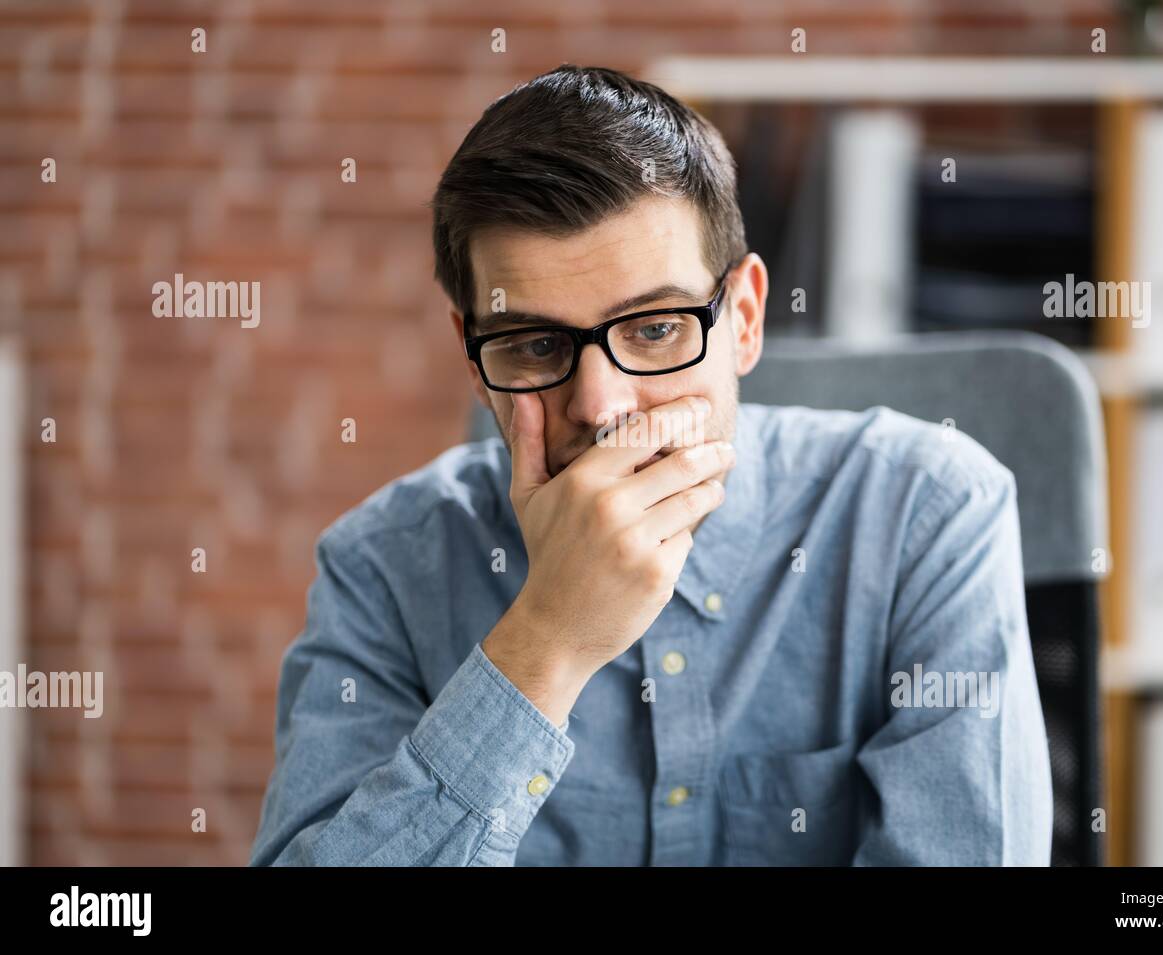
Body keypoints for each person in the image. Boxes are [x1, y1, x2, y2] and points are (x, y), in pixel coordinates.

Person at [249, 64, 1052, 866]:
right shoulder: (382, 566)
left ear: (742, 318)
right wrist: (549, 641)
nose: (602, 407)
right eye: (534, 344)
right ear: (473, 359)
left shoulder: (928, 514)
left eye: (655, 328)